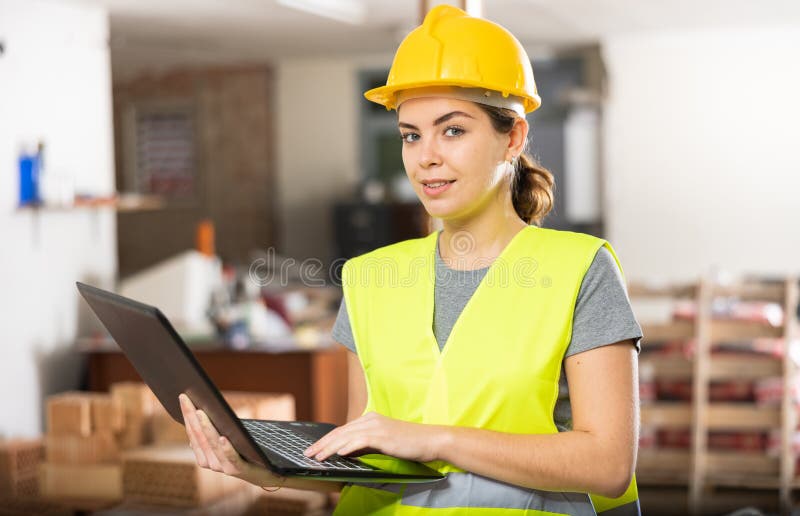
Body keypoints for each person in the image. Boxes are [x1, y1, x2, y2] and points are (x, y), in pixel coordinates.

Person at [179, 4, 642, 515]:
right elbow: (369, 465)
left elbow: (608, 463)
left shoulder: (580, 270)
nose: (425, 157)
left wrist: (434, 440)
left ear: (512, 138)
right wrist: (270, 470)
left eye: (453, 130)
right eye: (410, 135)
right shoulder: (370, 279)